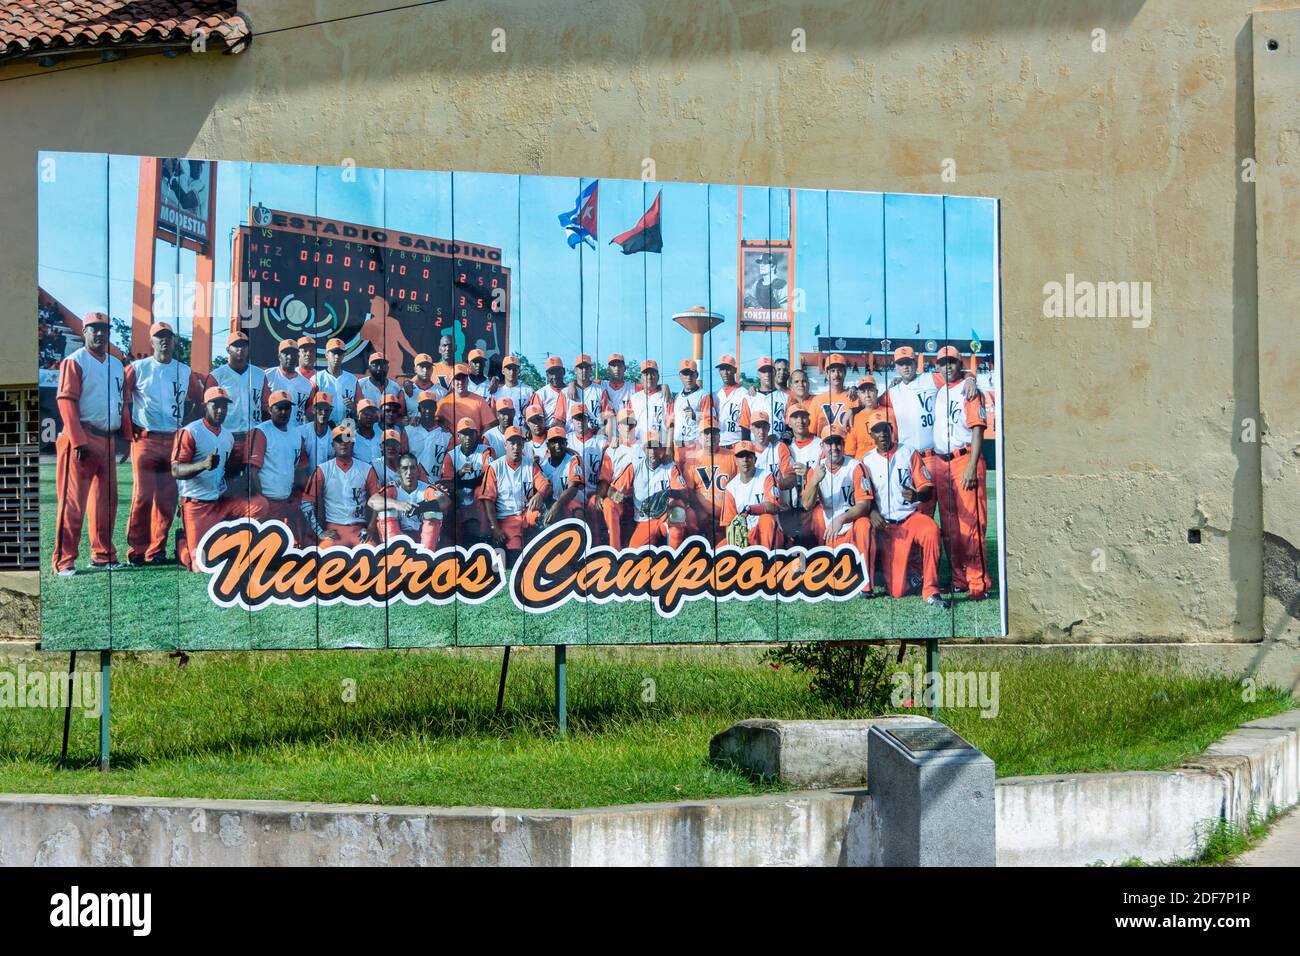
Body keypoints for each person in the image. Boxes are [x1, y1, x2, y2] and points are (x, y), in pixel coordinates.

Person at [122, 321, 204, 565]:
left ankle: (156, 550)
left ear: (174, 341)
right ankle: (137, 551)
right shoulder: (138, 368)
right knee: (142, 497)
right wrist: (129, 428)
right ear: (152, 341)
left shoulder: (183, 370)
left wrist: (186, 426)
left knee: (167, 499)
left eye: (168, 336)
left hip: (173, 439)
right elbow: (122, 399)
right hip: (145, 438)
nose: (164, 341)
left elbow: (199, 401)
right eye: (159, 337)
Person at [51, 311, 126, 575]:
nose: (99, 333)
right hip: (81, 435)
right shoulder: (75, 360)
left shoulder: (116, 364)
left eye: (104, 328)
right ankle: (64, 560)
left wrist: (125, 436)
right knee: (73, 503)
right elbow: (66, 401)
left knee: (106, 502)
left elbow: (122, 403)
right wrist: (77, 439)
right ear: (84, 332)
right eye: (93, 328)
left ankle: (103, 555)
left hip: (107, 438)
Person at [173, 387, 269, 569]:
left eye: (224, 407)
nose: (220, 411)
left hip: (220, 502)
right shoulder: (190, 431)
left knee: (259, 505)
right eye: (215, 405)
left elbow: (228, 470)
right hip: (196, 503)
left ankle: (229, 544)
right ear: (204, 406)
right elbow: (175, 469)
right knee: (200, 566)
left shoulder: (227, 436)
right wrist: (202, 465)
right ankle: (182, 544)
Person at [859, 411, 948, 608]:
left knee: (932, 529)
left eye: (885, 429)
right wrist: (872, 511)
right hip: (888, 528)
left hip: (910, 518)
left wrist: (917, 495)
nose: (882, 434)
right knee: (897, 591)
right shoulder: (866, 461)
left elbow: (926, 487)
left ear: (891, 431)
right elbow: (864, 496)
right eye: (876, 431)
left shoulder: (908, 452)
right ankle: (913, 577)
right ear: (871, 436)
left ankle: (931, 590)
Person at [931, 346, 991, 601]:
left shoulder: (970, 392)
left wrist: (971, 466)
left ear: (960, 364)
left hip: (964, 458)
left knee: (972, 527)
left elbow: (978, 431)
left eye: (952, 362)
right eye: (943, 363)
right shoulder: (941, 388)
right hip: (941, 463)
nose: (947, 367)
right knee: (950, 527)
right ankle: (958, 580)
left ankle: (978, 583)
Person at [800, 424, 874, 595]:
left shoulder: (855, 466)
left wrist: (841, 519)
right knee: (816, 516)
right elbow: (806, 505)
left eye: (838, 442)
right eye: (829, 443)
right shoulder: (815, 470)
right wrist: (814, 481)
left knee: (864, 524)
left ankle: (866, 584)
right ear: (822, 446)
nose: (834, 447)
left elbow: (864, 505)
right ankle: (819, 564)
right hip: (829, 530)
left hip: (851, 527)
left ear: (843, 444)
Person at [608, 432, 690, 549]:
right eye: (649, 447)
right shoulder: (635, 466)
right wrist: (614, 494)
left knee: (678, 510)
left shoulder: (670, 466)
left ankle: (675, 558)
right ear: (644, 448)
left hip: (664, 515)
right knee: (634, 553)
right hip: (645, 520)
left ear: (660, 449)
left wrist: (667, 493)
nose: (652, 451)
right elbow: (611, 489)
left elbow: (684, 494)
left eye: (655, 447)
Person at [479, 426, 548, 565]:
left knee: (546, 520)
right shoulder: (495, 467)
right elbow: (488, 501)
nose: (516, 447)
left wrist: (540, 494)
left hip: (527, 513)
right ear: (505, 445)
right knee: (515, 558)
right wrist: (495, 527)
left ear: (523, 445)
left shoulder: (530, 464)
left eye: (519, 443)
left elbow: (545, 485)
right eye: (512, 443)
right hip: (507, 517)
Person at [299, 427, 375, 549]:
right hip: (334, 529)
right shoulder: (323, 469)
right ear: (333, 445)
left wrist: (371, 528)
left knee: (372, 553)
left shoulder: (366, 469)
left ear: (353, 443)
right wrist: (320, 532)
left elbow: (378, 501)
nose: (343, 444)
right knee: (323, 556)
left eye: (347, 440)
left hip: (359, 530)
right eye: (339, 440)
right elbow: (305, 503)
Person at [247, 390, 309, 535]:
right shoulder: (260, 432)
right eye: (279, 408)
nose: (283, 412)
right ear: (269, 410)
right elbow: (252, 471)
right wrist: (262, 500)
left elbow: (300, 469)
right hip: (266, 501)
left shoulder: (296, 433)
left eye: (287, 408)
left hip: (286, 500)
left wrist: (301, 496)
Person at [207, 330, 268, 472]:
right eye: (236, 346)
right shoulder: (217, 376)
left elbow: (266, 408)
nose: (240, 349)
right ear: (228, 349)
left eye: (244, 345)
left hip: (253, 437)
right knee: (225, 481)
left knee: (252, 484)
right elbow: (206, 411)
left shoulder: (259, 374)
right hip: (226, 436)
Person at [368, 451, 448, 550]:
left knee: (434, 512)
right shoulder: (393, 488)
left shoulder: (426, 489)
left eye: (412, 468)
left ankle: (427, 554)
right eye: (405, 468)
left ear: (418, 470)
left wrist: (421, 507)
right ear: (399, 471)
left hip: (422, 537)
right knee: (386, 511)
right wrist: (398, 504)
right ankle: (394, 551)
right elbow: (372, 501)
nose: (409, 473)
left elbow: (445, 501)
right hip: (398, 535)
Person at [678, 416, 735, 542]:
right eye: (706, 433)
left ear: (719, 436)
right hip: (704, 520)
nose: (710, 436)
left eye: (714, 432)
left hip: (730, 517)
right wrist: (700, 512)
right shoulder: (692, 460)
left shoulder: (733, 457)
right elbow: (689, 492)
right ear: (699, 437)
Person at [440, 417, 493, 546]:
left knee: (482, 492)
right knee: (446, 497)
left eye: (470, 433)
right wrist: (459, 474)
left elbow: (487, 478)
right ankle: (450, 542)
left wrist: (461, 481)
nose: (467, 438)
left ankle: (485, 538)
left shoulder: (486, 451)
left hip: (477, 497)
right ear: (458, 436)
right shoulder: (451, 455)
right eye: (464, 434)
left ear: (476, 434)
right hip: (459, 497)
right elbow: (447, 483)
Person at [717, 442, 781, 548]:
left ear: (755, 460)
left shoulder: (767, 477)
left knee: (766, 519)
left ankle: (767, 559)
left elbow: (774, 506)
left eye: (749, 456)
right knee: (718, 551)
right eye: (741, 456)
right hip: (744, 535)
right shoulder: (731, 488)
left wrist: (750, 509)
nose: (745, 460)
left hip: (769, 534)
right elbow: (728, 523)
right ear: (736, 461)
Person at [598, 408, 644, 549]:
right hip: (619, 496)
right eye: (624, 423)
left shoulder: (644, 446)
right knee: (608, 505)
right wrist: (603, 494)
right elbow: (605, 478)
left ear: (635, 425)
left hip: (640, 497)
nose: (628, 427)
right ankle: (614, 550)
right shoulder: (612, 449)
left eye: (631, 423)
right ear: (618, 426)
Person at [783, 403, 823, 546]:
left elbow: (828, 478)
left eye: (803, 417)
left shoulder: (820, 445)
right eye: (795, 417)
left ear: (809, 420)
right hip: (789, 509)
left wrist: (808, 473)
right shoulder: (785, 447)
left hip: (813, 506)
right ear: (789, 422)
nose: (800, 421)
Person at [571, 404, 610, 542]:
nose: (580, 422)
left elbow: (606, 474)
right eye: (576, 418)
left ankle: (597, 546)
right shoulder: (567, 441)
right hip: (575, 492)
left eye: (582, 418)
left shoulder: (601, 442)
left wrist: (600, 494)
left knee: (594, 505)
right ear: (572, 421)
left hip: (595, 490)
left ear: (588, 419)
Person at [357, 294, 418, 380]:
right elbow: (361, 345)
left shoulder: (393, 323)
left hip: (394, 362)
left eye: (374, 305)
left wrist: (416, 356)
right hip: (379, 362)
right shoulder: (369, 324)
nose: (372, 306)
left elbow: (403, 342)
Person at [537, 426, 585, 525]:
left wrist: (557, 505)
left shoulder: (574, 460)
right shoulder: (543, 466)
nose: (557, 445)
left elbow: (574, 488)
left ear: (566, 444)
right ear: (547, 445)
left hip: (571, 503)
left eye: (561, 442)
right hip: (552, 504)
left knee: (576, 510)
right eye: (554, 442)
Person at [435, 363, 495, 436]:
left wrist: (481, 441)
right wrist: (440, 423)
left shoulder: (479, 401)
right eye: (457, 379)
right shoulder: (443, 403)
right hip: (451, 445)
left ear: (467, 381)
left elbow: (488, 425)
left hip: (474, 445)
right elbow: (434, 420)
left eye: (463, 378)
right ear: (452, 382)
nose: (460, 382)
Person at [742, 356, 792, 444]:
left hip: (778, 445)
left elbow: (789, 426)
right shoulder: (749, 398)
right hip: (756, 447)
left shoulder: (786, 397)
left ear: (775, 372)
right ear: (758, 373)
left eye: (770, 371)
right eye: (763, 371)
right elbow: (745, 427)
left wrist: (783, 442)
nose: (767, 374)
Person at [809, 353, 861, 436]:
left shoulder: (854, 397)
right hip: (824, 447)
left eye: (840, 371)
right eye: (833, 371)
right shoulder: (817, 401)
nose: (836, 375)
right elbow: (811, 432)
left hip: (848, 447)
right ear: (827, 374)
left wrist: (858, 391)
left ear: (845, 373)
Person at [265, 338, 313, 426]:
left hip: (296, 431)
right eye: (286, 354)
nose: (290, 357)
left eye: (293, 354)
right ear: (279, 356)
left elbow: (308, 412)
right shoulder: (268, 376)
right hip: (271, 430)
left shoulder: (307, 384)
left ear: (298, 357)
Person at [311, 337, 360, 424]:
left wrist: (354, 406)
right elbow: (309, 408)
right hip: (324, 427)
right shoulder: (317, 379)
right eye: (334, 353)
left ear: (343, 356)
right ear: (326, 355)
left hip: (347, 428)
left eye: (340, 353)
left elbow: (361, 407)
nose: (337, 356)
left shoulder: (352, 380)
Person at [406, 390, 452, 477]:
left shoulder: (446, 435)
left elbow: (448, 466)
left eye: (430, 406)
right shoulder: (408, 431)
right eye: (424, 407)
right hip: (414, 483)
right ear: (419, 408)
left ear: (435, 408)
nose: (427, 410)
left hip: (436, 484)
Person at [628, 359, 670, 442]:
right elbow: (628, 424)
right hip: (639, 444)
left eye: (653, 373)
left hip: (660, 445)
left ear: (658, 376)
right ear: (641, 377)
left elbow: (671, 425)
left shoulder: (666, 396)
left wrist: (669, 447)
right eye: (646, 374)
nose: (649, 377)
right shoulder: (634, 398)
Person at [670, 358, 708, 449]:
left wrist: (695, 416)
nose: (689, 377)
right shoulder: (677, 396)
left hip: (694, 444)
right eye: (685, 374)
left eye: (691, 373)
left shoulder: (703, 395)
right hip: (678, 445)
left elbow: (711, 421)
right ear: (680, 375)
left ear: (697, 375)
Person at [359, 350, 409, 418]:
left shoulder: (395, 387)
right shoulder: (360, 384)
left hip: (387, 425)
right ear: (369, 368)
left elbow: (400, 412)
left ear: (387, 368)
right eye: (375, 365)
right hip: (367, 425)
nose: (379, 368)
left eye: (382, 365)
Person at [599, 353, 635, 433]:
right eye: (613, 366)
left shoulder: (633, 387)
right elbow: (584, 384)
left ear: (625, 368)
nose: (617, 369)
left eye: (620, 366)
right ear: (608, 369)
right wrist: (572, 383)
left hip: (627, 432)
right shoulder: (600, 385)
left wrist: (662, 386)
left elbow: (650, 388)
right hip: (606, 432)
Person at [300, 393, 336, 472]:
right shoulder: (301, 432)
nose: (323, 413)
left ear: (331, 411)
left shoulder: (335, 436)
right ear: (313, 409)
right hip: (305, 479)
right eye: (319, 409)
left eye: (326, 410)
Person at [534, 355, 570, 429]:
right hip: (548, 434)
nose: (554, 376)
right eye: (551, 373)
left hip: (570, 434)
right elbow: (536, 419)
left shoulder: (572, 391)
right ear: (547, 375)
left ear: (563, 372)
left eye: (557, 372)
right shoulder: (540, 394)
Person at [351, 399, 383, 464]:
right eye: (365, 414)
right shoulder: (351, 438)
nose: (369, 417)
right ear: (358, 416)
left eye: (372, 413)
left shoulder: (382, 435)